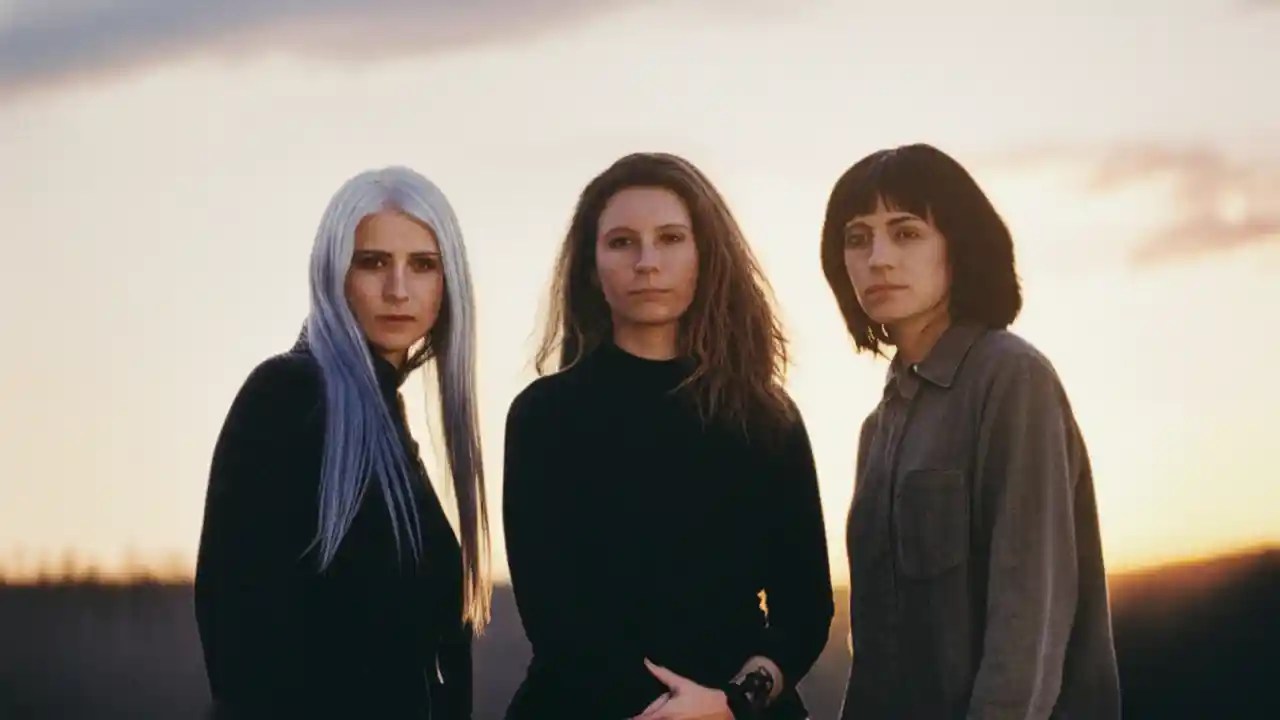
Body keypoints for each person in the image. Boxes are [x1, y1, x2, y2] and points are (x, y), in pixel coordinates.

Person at [502, 152, 834, 720]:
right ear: (591, 268)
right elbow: (554, 617)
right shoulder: (544, 416)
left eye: (671, 238)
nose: (647, 263)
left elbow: (804, 611)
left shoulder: (767, 417)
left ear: (705, 256)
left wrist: (730, 703)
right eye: (622, 242)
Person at [821, 143, 1121, 719]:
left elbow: (1027, 625)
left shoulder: (1012, 377)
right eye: (857, 238)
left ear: (958, 245)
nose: (878, 258)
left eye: (906, 233)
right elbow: (876, 655)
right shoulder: (877, 429)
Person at [194, 166, 490, 719]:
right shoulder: (288, 396)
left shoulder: (385, 419)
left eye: (422, 265)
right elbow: (242, 644)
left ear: (448, 283)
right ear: (334, 274)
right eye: (372, 262)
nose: (397, 289)